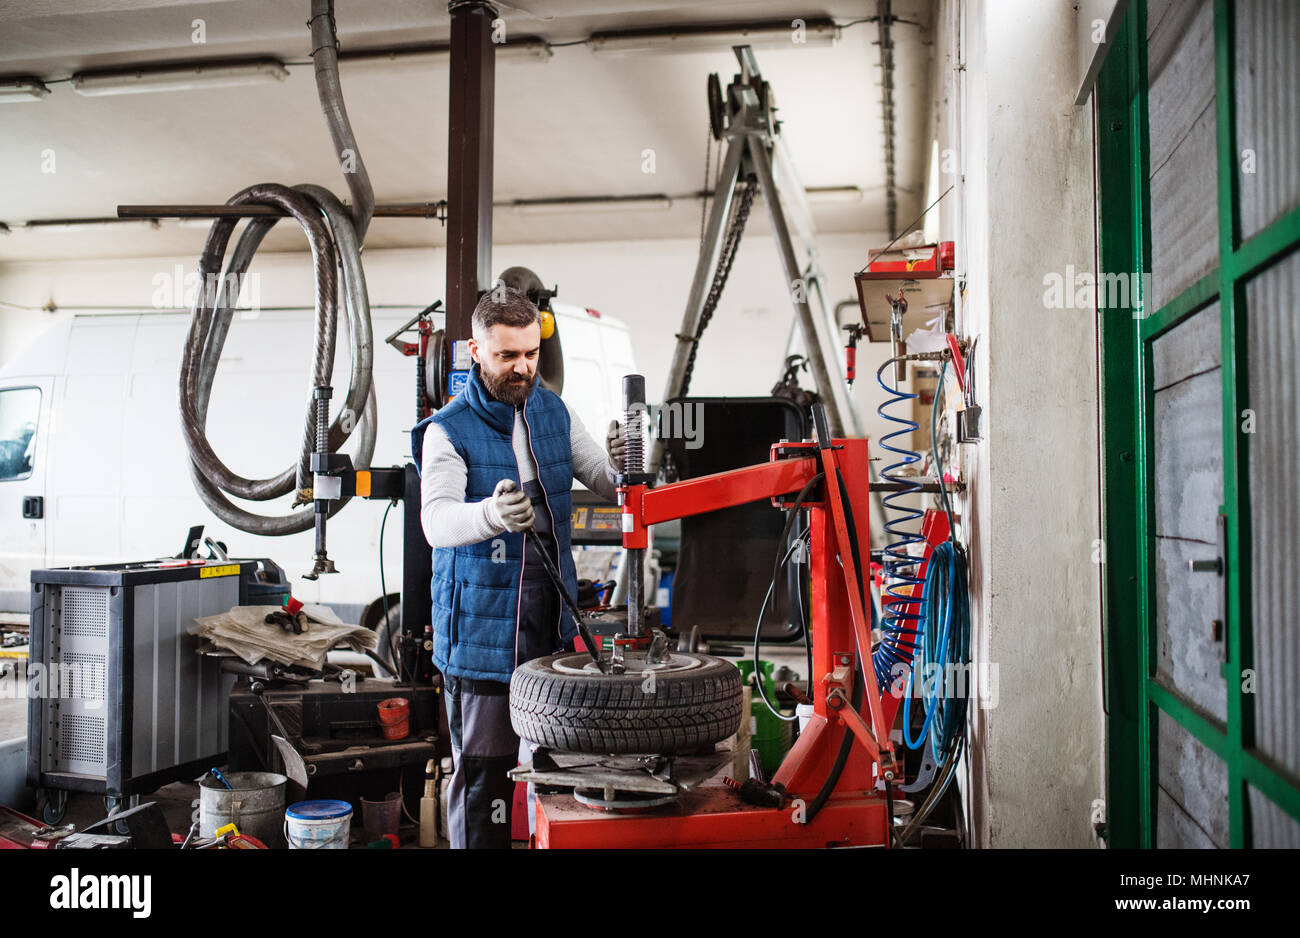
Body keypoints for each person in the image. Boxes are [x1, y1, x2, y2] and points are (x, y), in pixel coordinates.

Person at [415, 285, 624, 849]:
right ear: (475, 351)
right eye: (507, 355)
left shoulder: (552, 411)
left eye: (530, 353)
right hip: (482, 630)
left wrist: (626, 464)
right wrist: (490, 514)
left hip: (549, 620)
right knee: (484, 773)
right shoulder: (449, 429)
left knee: (552, 767)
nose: (522, 367)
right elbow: (436, 522)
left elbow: (604, 480)